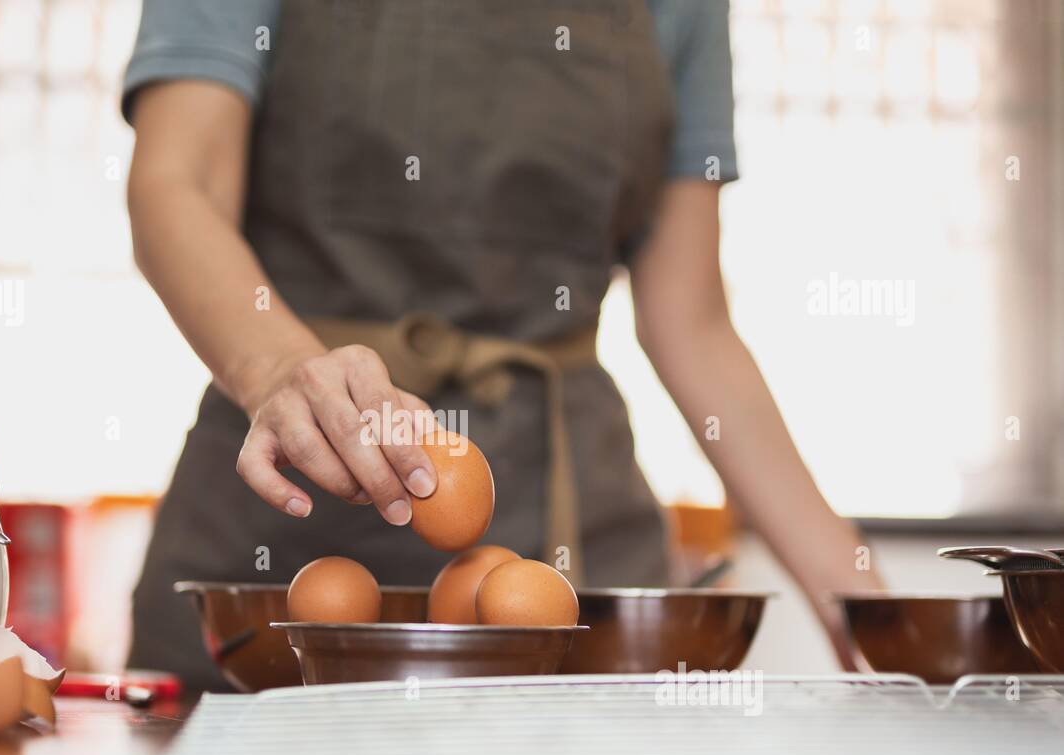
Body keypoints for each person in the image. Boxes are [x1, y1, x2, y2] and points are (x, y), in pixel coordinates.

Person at [122, 0, 881, 691]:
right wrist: (282, 370)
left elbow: (693, 322)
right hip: (274, 548)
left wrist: (871, 614)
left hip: (571, 540)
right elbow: (176, 183)